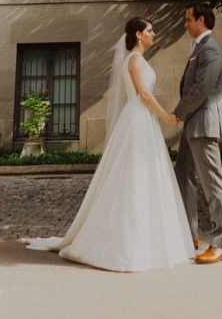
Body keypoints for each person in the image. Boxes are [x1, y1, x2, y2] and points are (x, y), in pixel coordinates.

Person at [25, 17, 193, 271]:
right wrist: (167, 117)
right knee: (134, 175)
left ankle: (151, 239)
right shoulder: (134, 60)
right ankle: (129, 243)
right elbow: (144, 95)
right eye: (149, 30)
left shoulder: (138, 59)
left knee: (146, 174)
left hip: (141, 120)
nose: (153, 34)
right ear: (138, 34)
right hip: (139, 118)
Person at [172, 2, 222, 264]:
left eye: (188, 20)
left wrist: (178, 113)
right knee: (183, 174)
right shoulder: (199, 48)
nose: (185, 25)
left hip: (203, 122)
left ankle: (220, 243)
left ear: (202, 21)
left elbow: (201, 89)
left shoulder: (211, 49)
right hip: (193, 123)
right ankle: (189, 234)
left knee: (212, 182)